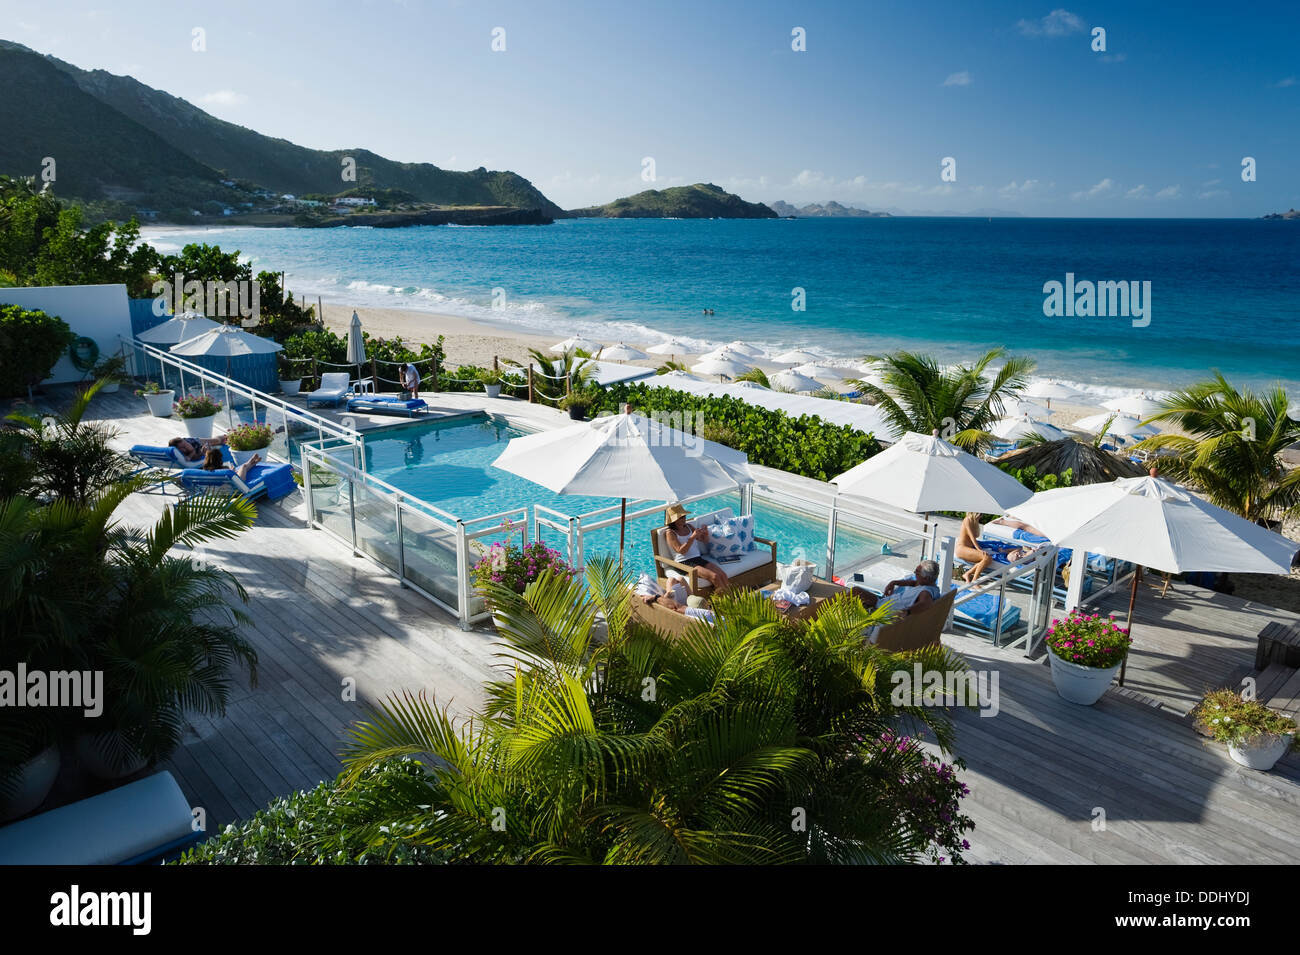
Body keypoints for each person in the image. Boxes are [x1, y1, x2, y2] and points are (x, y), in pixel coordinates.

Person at [663, 503, 730, 592]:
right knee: (714, 576)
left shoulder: (689, 527)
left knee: (723, 574)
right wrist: (692, 537)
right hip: (683, 562)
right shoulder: (670, 533)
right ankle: (724, 601)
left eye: (684, 516)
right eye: (681, 517)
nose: (684, 519)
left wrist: (705, 533)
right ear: (674, 520)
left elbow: (704, 540)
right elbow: (681, 551)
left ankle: (729, 598)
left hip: (697, 559)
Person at [853, 560, 942, 617]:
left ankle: (839, 610)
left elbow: (926, 603)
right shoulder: (931, 587)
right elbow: (914, 583)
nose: (914, 573)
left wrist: (907, 612)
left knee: (856, 591)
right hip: (884, 603)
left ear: (925, 578)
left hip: (882, 609)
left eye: (917, 573)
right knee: (856, 592)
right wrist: (894, 583)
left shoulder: (925, 593)